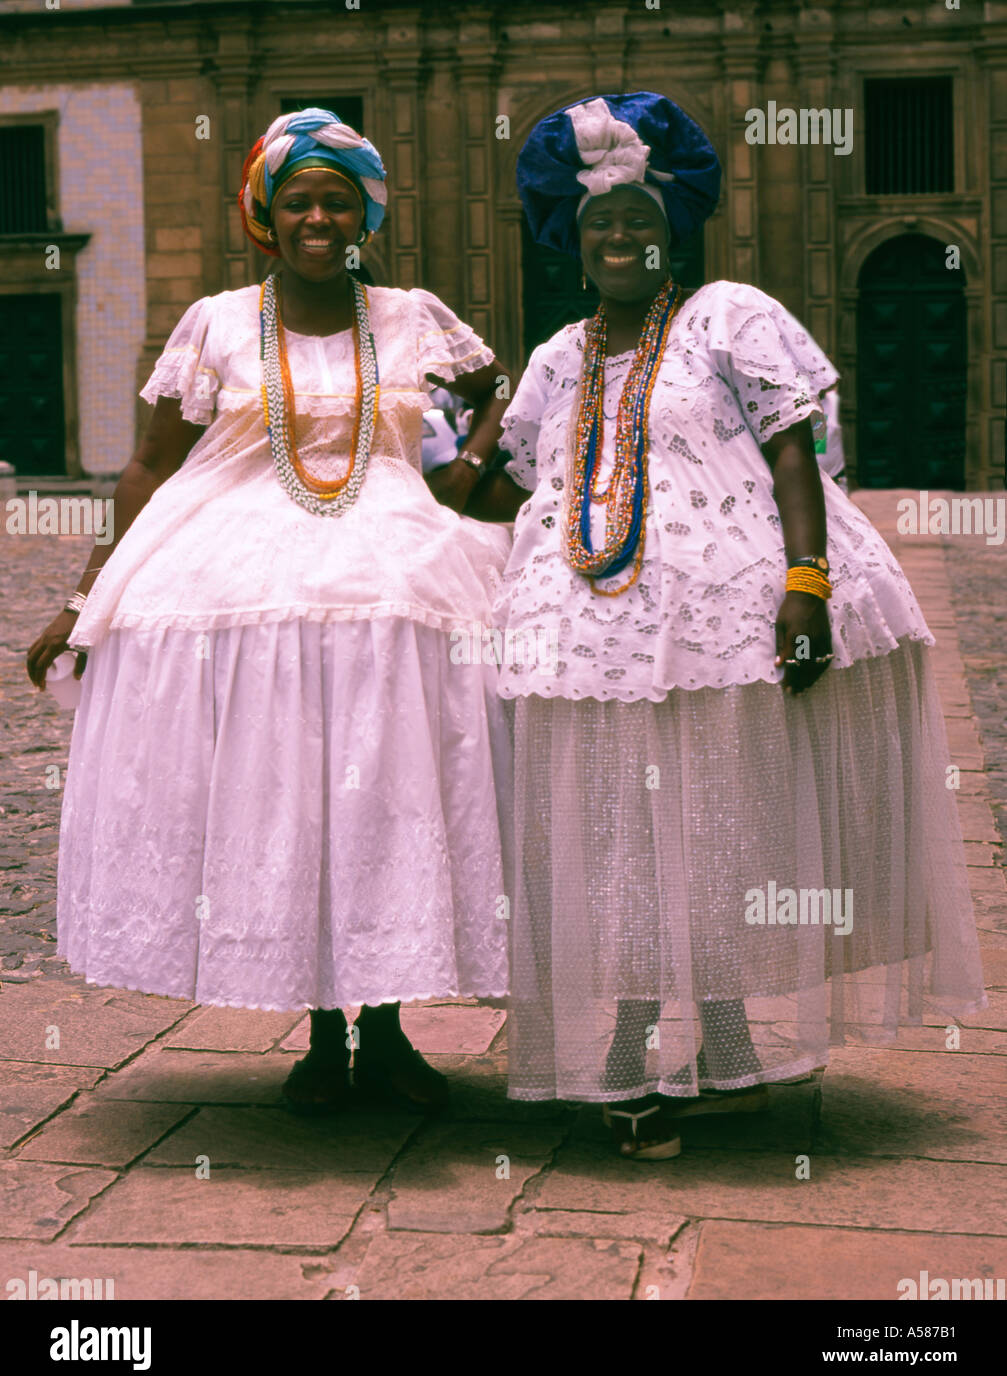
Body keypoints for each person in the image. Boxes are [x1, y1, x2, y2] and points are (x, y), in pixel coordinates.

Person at [467, 92, 987, 1158]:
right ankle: (620, 1053)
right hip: (582, 634)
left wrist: (805, 579)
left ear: (673, 228)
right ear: (569, 236)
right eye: (599, 219)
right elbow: (512, 485)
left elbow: (793, 448)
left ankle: (727, 1056)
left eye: (640, 217)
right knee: (613, 837)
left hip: (715, 620)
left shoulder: (729, 317)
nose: (619, 236)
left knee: (705, 831)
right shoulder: (557, 358)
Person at [26, 108, 513, 1116]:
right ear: (266, 215)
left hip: (397, 571)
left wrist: (462, 470)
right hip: (237, 571)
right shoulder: (213, 322)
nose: (320, 217)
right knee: (287, 796)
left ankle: (382, 1032)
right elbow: (152, 463)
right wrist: (87, 591)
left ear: (364, 212)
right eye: (299, 201)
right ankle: (319, 1037)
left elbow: (499, 386)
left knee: (386, 789)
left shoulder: (412, 315)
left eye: (339, 199)